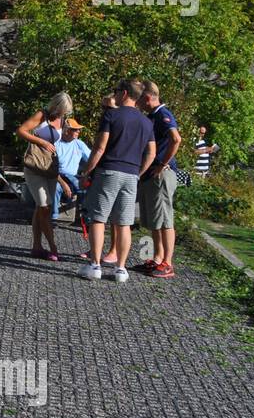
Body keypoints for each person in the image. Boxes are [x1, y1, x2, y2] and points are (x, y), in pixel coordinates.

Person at [78, 79, 156, 283]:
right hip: (131, 175)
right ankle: (121, 268)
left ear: (124, 93)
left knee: (98, 218)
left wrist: (87, 171)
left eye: (116, 91)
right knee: (124, 223)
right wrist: (139, 172)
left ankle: (95, 265)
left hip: (109, 171)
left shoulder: (111, 115)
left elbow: (100, 148)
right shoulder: (146, 122)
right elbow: (151, 153)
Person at [17, 92, 74, 261]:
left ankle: (36, 246)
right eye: (63, 110)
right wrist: (41, 141)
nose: (64, 114)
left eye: (66, 112)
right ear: (56, 106)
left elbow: (59, 142)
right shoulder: (42, 115)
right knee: (44, 206)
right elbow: (21, 130)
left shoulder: (62, 121)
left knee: (42, 209)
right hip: (35, 167)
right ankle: (53, 247)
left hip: (48, 167)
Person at [136, 81, 182, 278]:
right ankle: (157, 258)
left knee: (164, 219)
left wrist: (163, 163)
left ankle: (167, 263)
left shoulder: (164, 114)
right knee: (155, 219)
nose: (138, 103)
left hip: (161, 174)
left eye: (139, 99)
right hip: (151, 174)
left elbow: (176, 139)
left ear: (148, 97)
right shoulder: (152, 116)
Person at [51, 117, 91, 226]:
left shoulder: (79, 144)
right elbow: (51, 168)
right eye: (75, 129)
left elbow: (92, 159)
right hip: (58, 177)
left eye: (78, 129)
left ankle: (87, 219)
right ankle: (53, 218)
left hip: (73, 177)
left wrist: (86, 175)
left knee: (87, 189)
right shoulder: (56, 144)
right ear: (67, 130)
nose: (78, 131)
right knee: (55, 188)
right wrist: (64, 184)